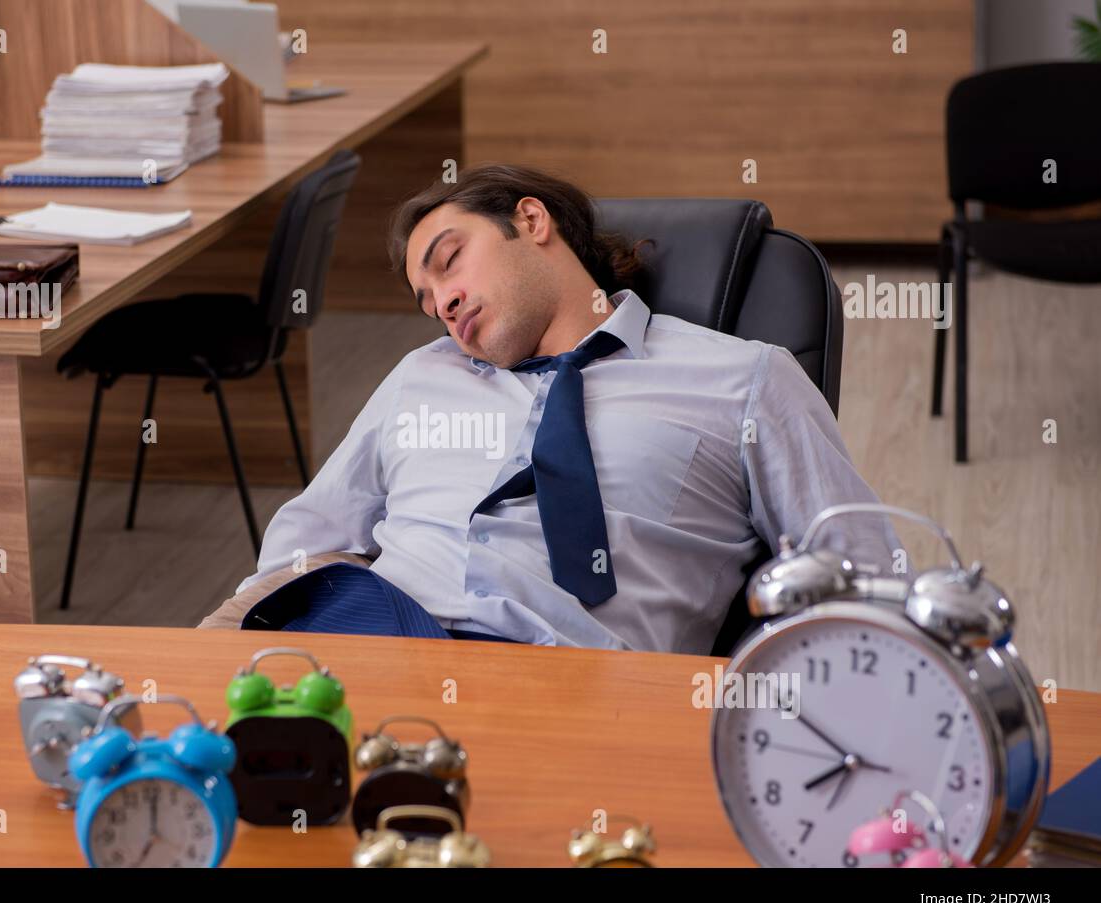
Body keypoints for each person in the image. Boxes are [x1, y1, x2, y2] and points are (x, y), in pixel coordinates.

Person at [202, 164, 897, 653]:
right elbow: (306, 537)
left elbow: (863, 576)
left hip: (573, 676)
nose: (441, 302)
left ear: (530, 220)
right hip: (367, 638)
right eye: (426, 300)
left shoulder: (743, 377)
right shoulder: (424, 375)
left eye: (450, 260)